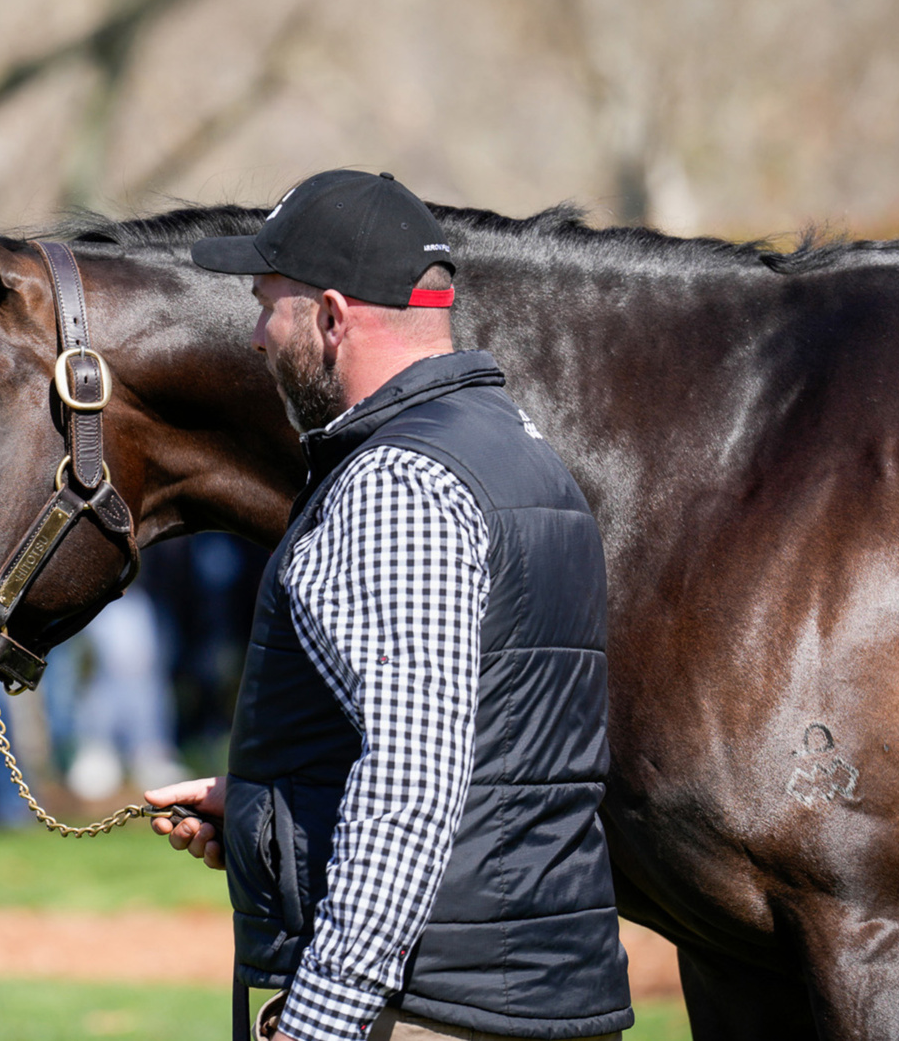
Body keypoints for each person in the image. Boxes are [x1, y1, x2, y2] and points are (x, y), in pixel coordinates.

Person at [147, 171, 633, 1041]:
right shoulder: (518, 452)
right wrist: (270, 808)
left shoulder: (400, 481)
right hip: (528, 989)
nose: (255, 339)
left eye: (267, 305)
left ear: (332, 318)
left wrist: (322, 1022)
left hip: (431, 1008)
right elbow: (496, 751)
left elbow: (413, 783)